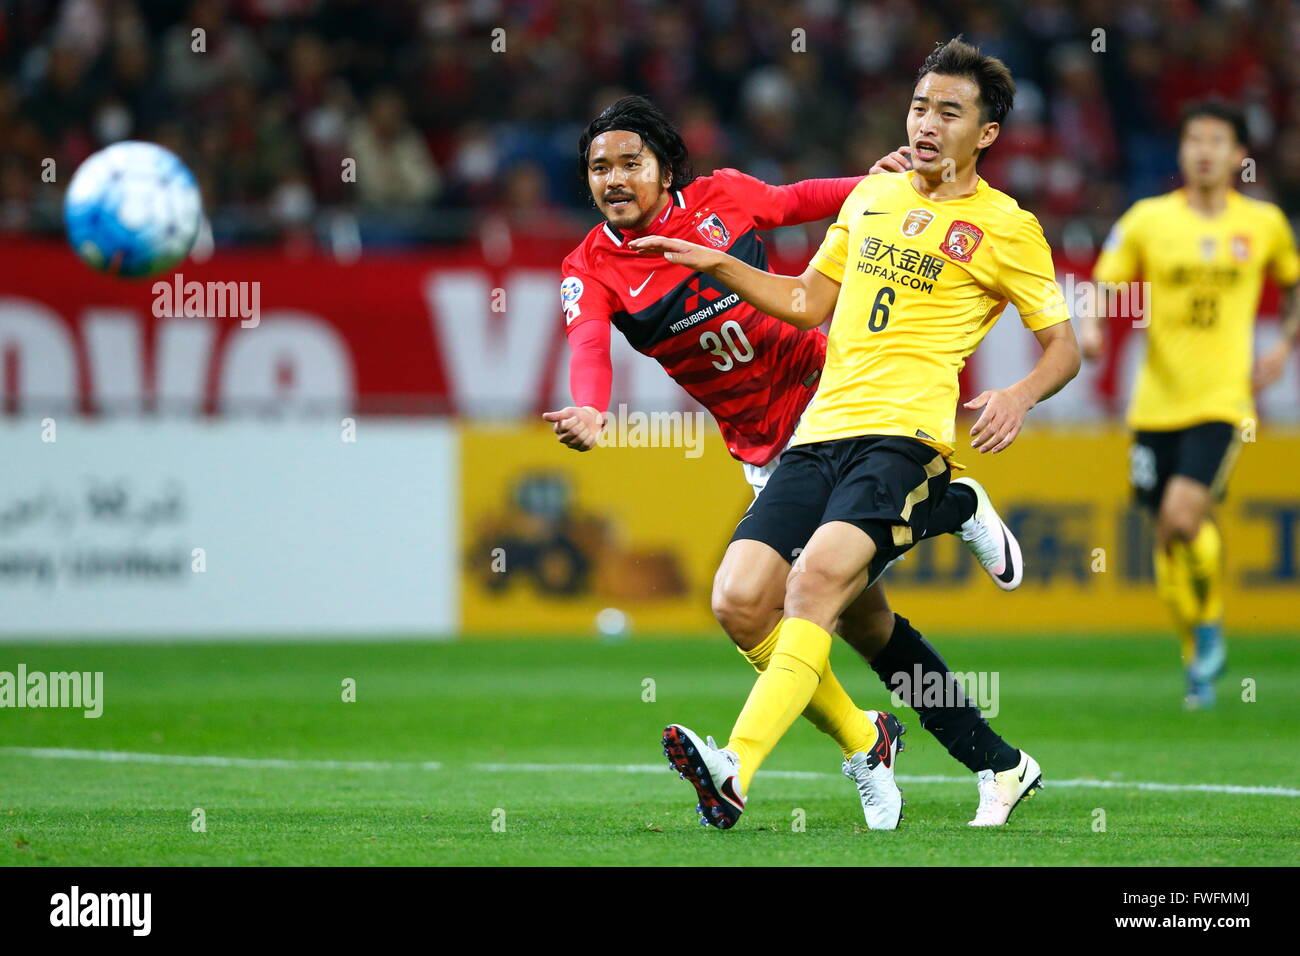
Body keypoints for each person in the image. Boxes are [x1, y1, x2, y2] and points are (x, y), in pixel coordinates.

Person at [545, 92, 1033, 831]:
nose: (613, 179)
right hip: (761, 446)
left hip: (831, 403)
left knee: (784, 599)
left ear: (666, 165)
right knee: (851, 626)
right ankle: (930, 749)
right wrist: (590, 406)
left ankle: (948, 509)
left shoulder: (722, 199)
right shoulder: (590, 266)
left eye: (629, 163)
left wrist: (875, 185)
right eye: (597, 168)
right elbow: (586, 346)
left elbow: (801, 199)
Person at [1083, 99, 1300, 708]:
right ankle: (1196, 654)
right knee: (1167, 539)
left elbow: (1292, 285)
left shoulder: (1264, 224)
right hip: (1153, 403)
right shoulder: (1149, 218)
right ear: (1181, 152)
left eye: (1216, 141)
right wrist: (1097, 327)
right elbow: (1106, 278)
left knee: (1183, 516)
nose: (1203, 151)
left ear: (1239, 156)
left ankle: (1209, 625)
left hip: (1223, 401)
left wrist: (1283, 345)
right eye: (1193, 140)